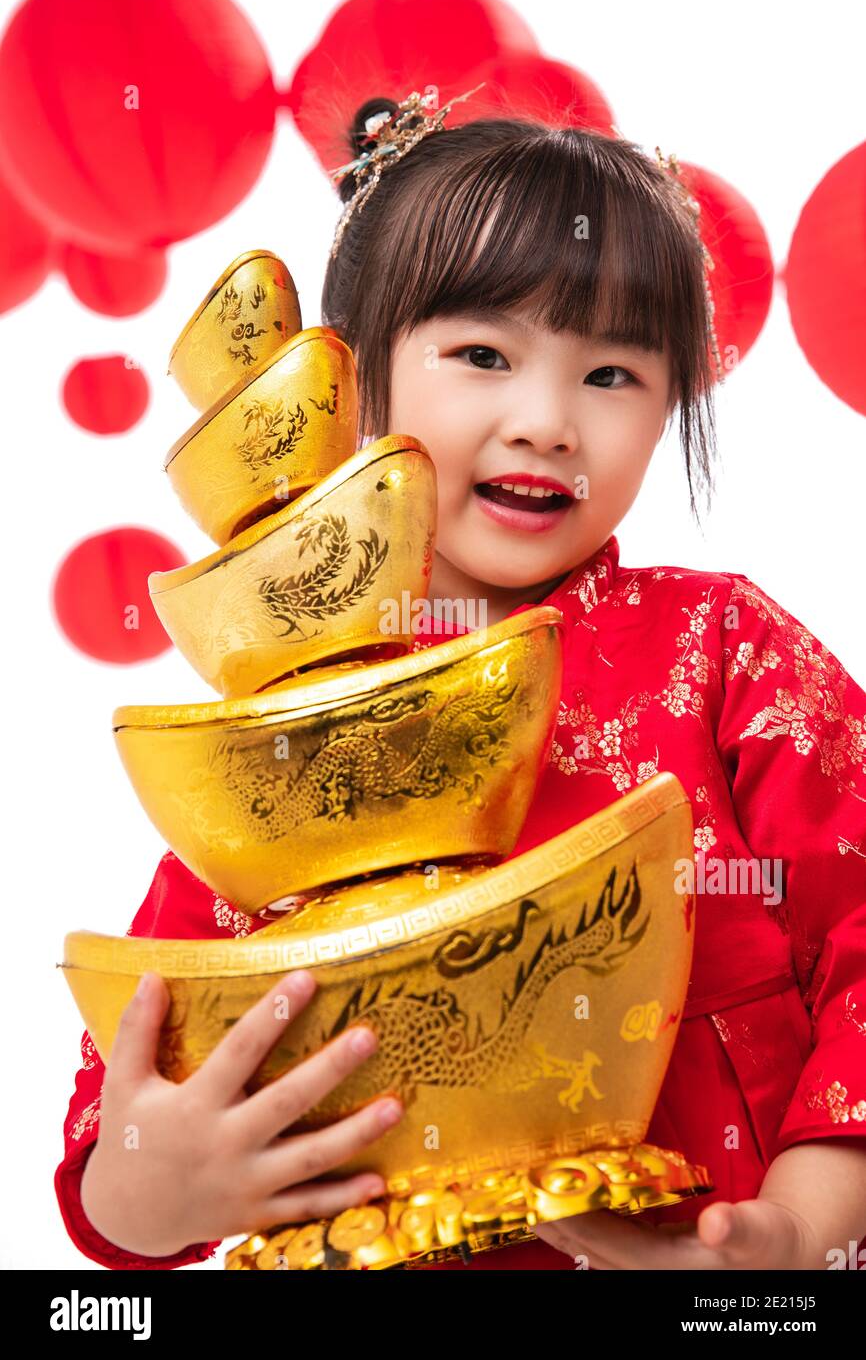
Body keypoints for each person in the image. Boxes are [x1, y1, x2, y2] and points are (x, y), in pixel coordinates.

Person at [56, 94, 866, 1271]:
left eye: (612, 376)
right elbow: (124, 1111)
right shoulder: (282, 737)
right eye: (481, 355)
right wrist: (153, 1184)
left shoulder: (724, 656)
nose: (544, 423)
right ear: (358, 379)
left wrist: (795, 1235)